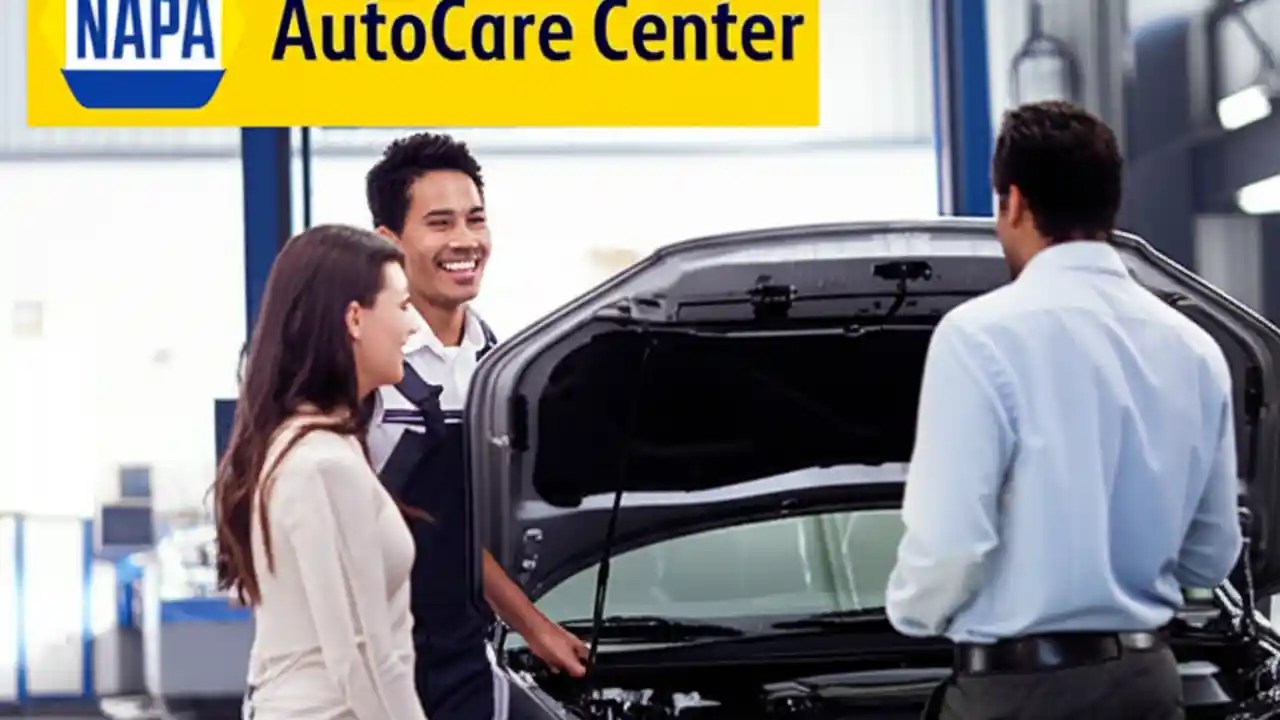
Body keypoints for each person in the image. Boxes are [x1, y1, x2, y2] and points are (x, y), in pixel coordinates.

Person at [886, 101, 1244, 719]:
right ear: (1109, 203)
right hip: (1150, 690)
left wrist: (910, 613)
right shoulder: (1196, 347)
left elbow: (953, 542)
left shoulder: (978, 337)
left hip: (1018, 697)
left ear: (1015, 202)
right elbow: (1211, 557)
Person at [364, 132, 589, 720]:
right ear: (390, 243)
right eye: (439, 223)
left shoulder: (506, 369)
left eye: (475, 219)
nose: (464, 240)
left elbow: (469, 538)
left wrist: (532, 629)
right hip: (374, 658)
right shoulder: (362, 368)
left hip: (465, 659)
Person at [213, 224, 425, 720]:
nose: (412, 325)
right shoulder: (322, 463)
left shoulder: (308, 446)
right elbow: (365, 658)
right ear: (354, 318)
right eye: (401, 305)